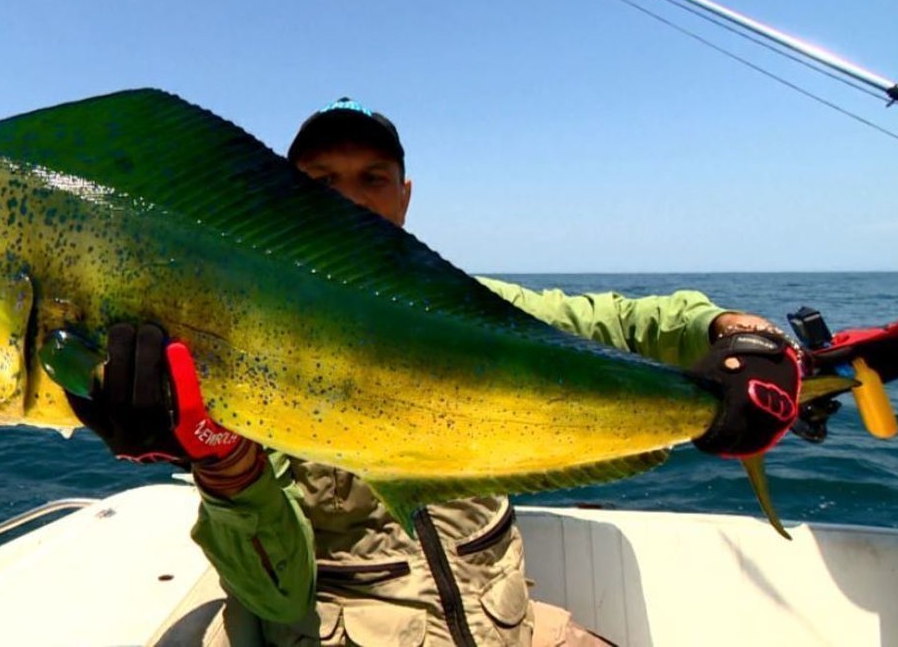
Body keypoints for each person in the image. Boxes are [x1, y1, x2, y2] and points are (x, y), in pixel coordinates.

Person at [55, 99, 803, 646]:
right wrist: (222, 467)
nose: (349, 198)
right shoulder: (236, 339)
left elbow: (624, 321)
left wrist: (737, 333)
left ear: (406, 196)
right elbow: (274, 598)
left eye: (373, 176)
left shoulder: (478, 314)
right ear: (279, 205)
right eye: (320, 178)